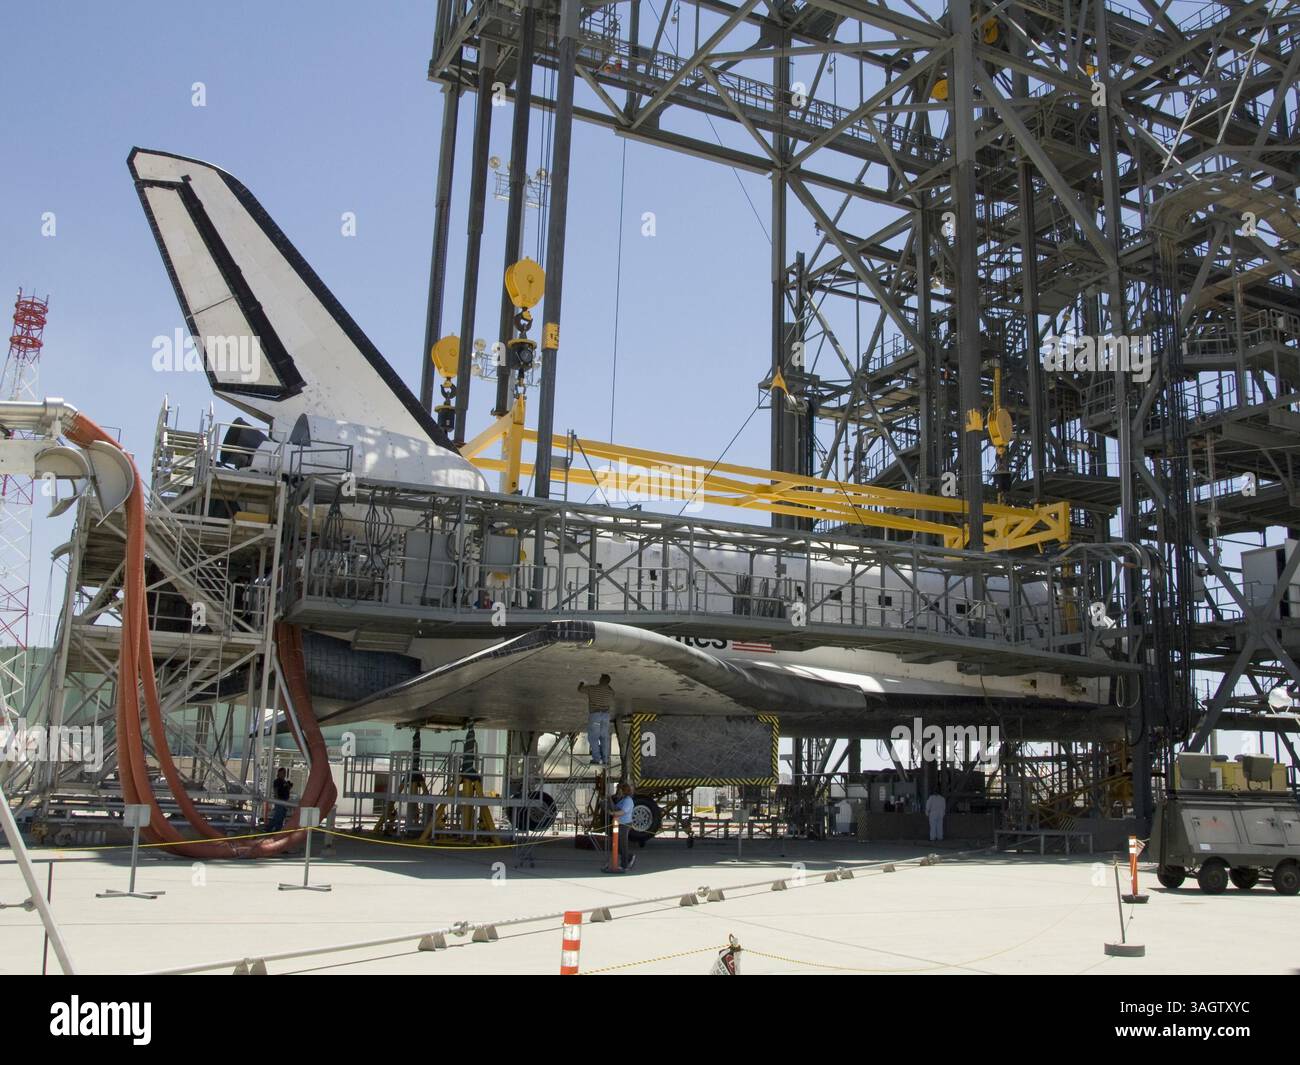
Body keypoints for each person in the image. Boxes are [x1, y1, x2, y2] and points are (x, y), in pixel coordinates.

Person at [578, 673, 615, 766]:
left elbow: (580, 690)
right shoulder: (610, 692)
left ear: (600, 680)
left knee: (593, 738)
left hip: (595, 716)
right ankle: (605, 759)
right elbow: (612, 692)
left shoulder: (592, 689)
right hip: (605, 716)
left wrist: (581, 682)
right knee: (604, 738)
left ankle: (596, 758)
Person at [609, 782, 636, 872]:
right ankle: (628, 857)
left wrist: (612, 814)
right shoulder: (622, 800)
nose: (617, 792)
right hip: (619, 824)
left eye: (619, 790)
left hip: (625, 824)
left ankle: (625, 864)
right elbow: (615, 807)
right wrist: (609, 800)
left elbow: (622, 812)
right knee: (618, 845)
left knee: (622, 845)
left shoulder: (628, 800)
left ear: (623, 791)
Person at [268, 767, 293, 833]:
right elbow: (276, 790)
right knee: (278, 815)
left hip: (284, 801)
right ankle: (270, 828)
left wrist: (288, 787)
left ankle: (278, 829)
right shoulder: (277, 781)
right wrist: (277, 799)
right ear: (279, 773)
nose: (284, 774)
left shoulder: (284, 782)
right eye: (283, 773)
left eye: (284, 773)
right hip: (280, 800)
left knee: (282, 815)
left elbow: (287, 790)